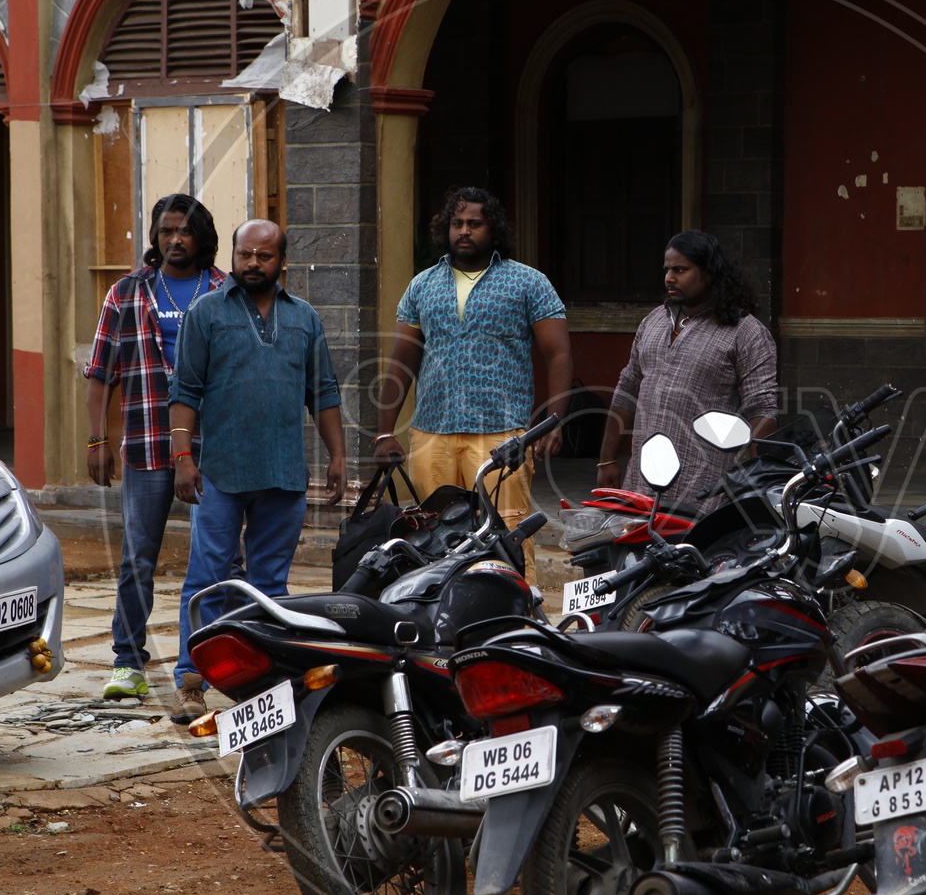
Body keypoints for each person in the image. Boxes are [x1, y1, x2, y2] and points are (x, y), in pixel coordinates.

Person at [167, 219, 345, 723]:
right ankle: (191, 679)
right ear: (235, 255)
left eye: (263, 257)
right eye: (245, 255)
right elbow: (185, 392)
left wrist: (337, 456)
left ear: (281, 261)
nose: (252, 264)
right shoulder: (206, 313)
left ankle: (263, 679)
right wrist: (184, 458)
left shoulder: (304, 318)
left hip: (284, 473)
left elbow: (324, 392)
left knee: (272, 584)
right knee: (208, 579)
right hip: (221, 472)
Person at [373, 186, 572, 580]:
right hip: (432, 434)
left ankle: (518, 618)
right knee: (433, 536)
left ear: (492, 229)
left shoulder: (527, 283)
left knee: (508, 534)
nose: (464, 231)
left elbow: (559, 354)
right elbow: (402, 361)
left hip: (503, 437)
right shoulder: (422, 285)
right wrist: (383, 433)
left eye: (474, 224)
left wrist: (555, 421)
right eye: (457, 223)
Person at [84, 194, 225, 702]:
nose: (175, 240)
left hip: (214, 448)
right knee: (138, 557)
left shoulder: (224, 291)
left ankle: (217, 661)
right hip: (144, 445)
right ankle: (128, 660)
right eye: (166, 231)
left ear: (201, 236)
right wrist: (99, 437)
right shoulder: (126, 293)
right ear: (155, 236)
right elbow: (101, 374)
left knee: (216, 559)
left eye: (184, 231)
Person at [598, 230, 778, 509]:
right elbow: (627, 390)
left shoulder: (745, 332)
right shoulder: (653, 321)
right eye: (667, 270)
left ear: (709, 272)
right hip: (643, 484)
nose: (669, 278)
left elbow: (762, 411)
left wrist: (758, 483)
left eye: (680, 270)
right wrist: (607, 458)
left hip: (705, 490)